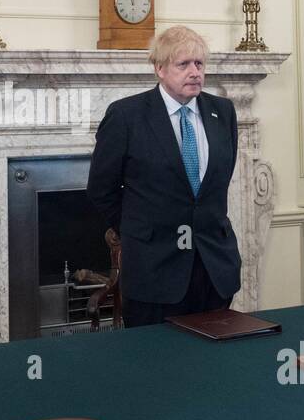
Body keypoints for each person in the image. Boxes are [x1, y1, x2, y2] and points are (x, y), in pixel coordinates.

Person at [87, 26, 241, 326]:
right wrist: (140, 230)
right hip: (154, 272)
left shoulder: (223, 111)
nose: (194, 72)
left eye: (199, 64)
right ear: (159, 68)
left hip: (214, 269)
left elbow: (217, 182)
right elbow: (100, 189)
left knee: (214, 365)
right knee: (155, 367)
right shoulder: (125, 116)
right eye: (183, 64)